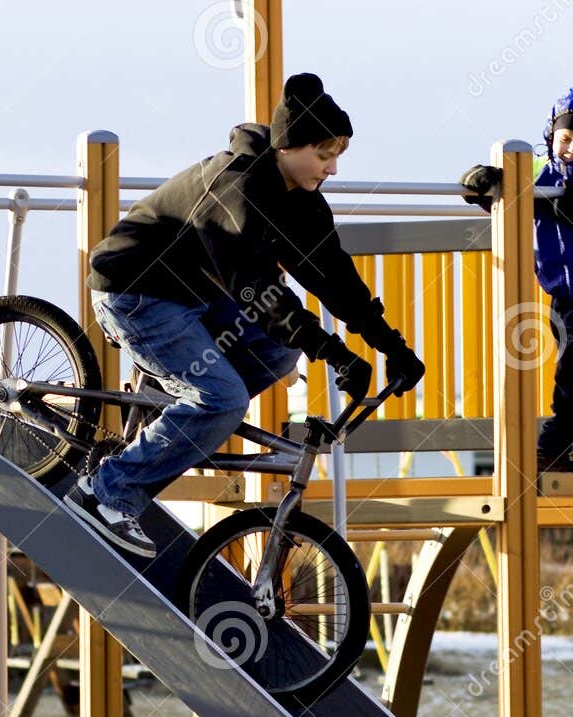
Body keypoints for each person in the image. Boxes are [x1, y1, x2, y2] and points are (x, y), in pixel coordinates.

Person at [72, 73, 424, 556]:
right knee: (221, 400)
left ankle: (172, 402)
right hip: (137, 292)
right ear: (288, 145)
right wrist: (332, 350)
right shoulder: (234, 189)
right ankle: (106, 491)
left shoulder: (301, 200)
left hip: (196, 297)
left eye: (338, 156)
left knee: (280, 352)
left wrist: (394, 347)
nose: (333, 169)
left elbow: (334, 279)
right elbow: (258, 291)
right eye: (324, 155)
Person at [460, 84, 573, 471]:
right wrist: (480, 181)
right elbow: (507, 186)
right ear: (552, 136)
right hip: (564, 287)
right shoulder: (541, 170)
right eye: (566, 138)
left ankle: (559, 436)